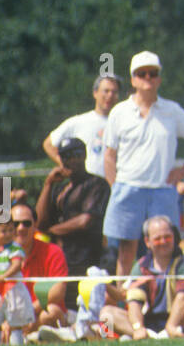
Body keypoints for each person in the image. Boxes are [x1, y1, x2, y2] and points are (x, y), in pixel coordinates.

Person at [102, 51, 184, 276]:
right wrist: (115, 186)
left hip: (162, 190)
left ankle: (168, 293)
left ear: (159, 78)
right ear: (133, 80)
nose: (148, 78)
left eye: (153, 73)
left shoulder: (172, 111)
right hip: (127, 188)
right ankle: (124, 294)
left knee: (166, 247)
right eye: (142, 74)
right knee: (125, 252)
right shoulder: (119, 112)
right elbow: (109, 155)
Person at [102, 216, 184, 340]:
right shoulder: (142, 266)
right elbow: (134, 301)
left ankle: (174, 331)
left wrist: (171, 326)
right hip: (149, 321)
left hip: (181, 319)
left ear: (174, 237)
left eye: (167, 237)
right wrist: (138, 327)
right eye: (157, 239)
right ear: (147, 242)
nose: (163, 242)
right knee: (106, 313)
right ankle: (141, 335)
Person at [35, 137, 111, 277]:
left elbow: (85, 221)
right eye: (64, 156)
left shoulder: (97, 184)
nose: (69, 161)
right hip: (61, 256)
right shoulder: (60, 189)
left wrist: (51, 231)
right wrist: (48, 185)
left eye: (75, 155)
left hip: (87, 257)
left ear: (84, 156)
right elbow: (40, 222)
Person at [40, 75, 121, 177]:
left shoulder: (123, 123)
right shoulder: (79, 121)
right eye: (106, 91)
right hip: (88, 183)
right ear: (95, 93)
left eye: (114, 92)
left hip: (117, 183)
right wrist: (67, 167)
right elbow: (48, 144)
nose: (110, 95)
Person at [9, 201, 71, 331]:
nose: (21, 228)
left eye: (26, 223)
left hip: (40, 314)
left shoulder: (53, 251)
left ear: (35, 225)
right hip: (11, 316)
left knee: (51, 312)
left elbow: (58, 290)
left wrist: (30, 310)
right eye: (15, 224)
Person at [0, 215, 36, 345]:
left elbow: (17, 265)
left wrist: (5, 275)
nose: (9, 234)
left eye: (11, 230)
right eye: (4, 231)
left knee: (15, 319)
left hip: (12, 290)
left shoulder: (15, 248)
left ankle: (17, 345)